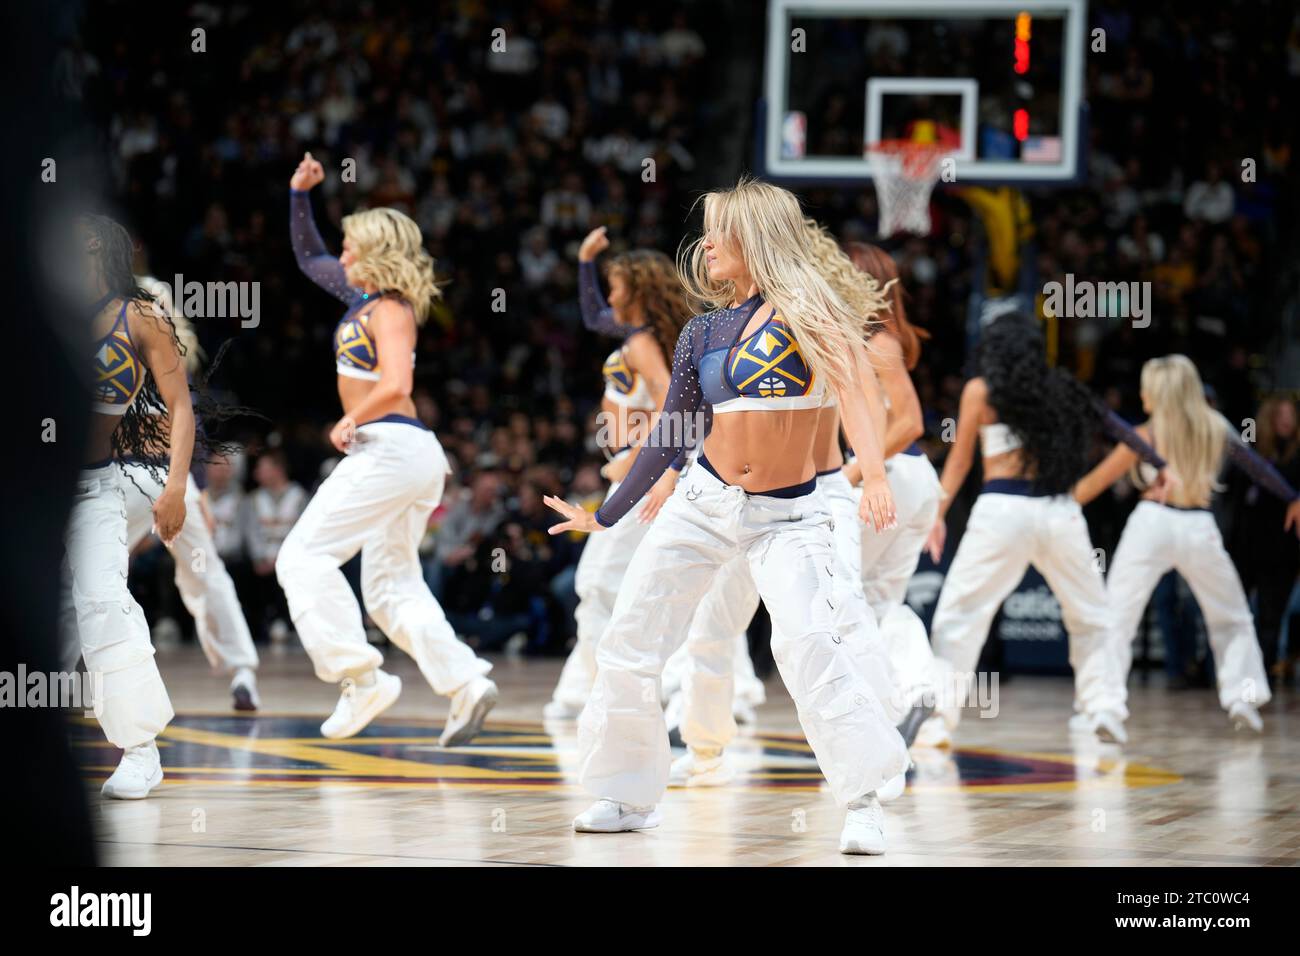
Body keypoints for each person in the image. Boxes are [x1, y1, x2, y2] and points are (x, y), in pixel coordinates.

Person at [545, 178, 908, 855]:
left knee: (807, 647)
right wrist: (608, 513)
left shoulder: (811, 312)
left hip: (787, 517)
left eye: (721, 231)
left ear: (758, 238)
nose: (706, 244)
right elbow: (673, 431)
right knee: (630, 636)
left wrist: (877, 471)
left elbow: (859, 388)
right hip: (705, 503)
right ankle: (626, 792)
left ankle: (863, 801)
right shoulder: (701, 330)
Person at [277, 152, 496, 744]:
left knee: (300, 558)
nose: (341, 256)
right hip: (407, 456)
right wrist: (301, 195)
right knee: (391, 589)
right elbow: (308, 255)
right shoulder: (361, 302)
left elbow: (397, 384)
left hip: (392, 446)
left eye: (350, 248)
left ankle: (360, 679)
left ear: (374, 255)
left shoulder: (392, 307)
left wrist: (349, 418)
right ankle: (466, 682)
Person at [920, 313, 1167, 747]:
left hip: (1001, 511)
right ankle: (1105, 707)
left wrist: (935, 513)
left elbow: (959, 462)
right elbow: (1125, 434)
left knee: (960, 616)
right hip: (1059, 511)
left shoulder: (981, 390)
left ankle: (941, 718)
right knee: (1092, 615)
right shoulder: (1062, 388)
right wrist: (1161, 467)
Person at [1074, 355, 1300, 733]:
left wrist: (1051, 504)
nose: (1142, 393)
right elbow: (1259, 470)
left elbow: (1094, 483)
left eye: (1147, 386)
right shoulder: (1216, 428)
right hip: (1199, 526)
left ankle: (1106, 707)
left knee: (1117, 617)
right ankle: (1242, 700)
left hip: (1152, 523)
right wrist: (1293, 496)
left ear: (1160, 390)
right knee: (1231, 616)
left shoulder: (1146, 434)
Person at [64, 215, 196, 798]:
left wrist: (175, 486)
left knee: (102, 602)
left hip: (95, 485)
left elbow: (182, 407)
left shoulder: (138, 315)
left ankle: (140, 750)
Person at [544, 226, 694, 717]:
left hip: (646, 474)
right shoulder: (641, 336)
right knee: (662, 584)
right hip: (652, 470)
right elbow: (592, 315)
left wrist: (650, 463)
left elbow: (674, 404)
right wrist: (586, 263)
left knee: (599, 582)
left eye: (616, 286)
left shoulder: (642, 344)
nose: (609, 296)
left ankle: (607, 688)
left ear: (639, 293)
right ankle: (584, 686)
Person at [842, 242, 942, 746]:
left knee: (840, 595)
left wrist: (853, 474)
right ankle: (918, 686)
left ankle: (866, 714)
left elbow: (909, 421)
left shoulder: (876, 342)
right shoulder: (882, 338)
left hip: (893, 474)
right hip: (915, 478)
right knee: (880, 600)